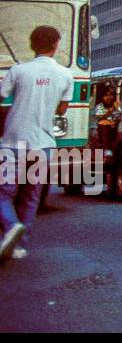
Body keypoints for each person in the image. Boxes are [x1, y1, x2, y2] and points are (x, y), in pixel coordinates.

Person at [0, 26, 74, 262]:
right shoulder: (65, 75)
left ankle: (10, 225)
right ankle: (20, 245)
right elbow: (62, 109)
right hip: (42, 144)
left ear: (32, 45)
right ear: (56, 45)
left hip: (12, 141)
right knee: (30, 197)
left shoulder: (18, 70)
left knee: (3, 194)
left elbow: (2, 96)